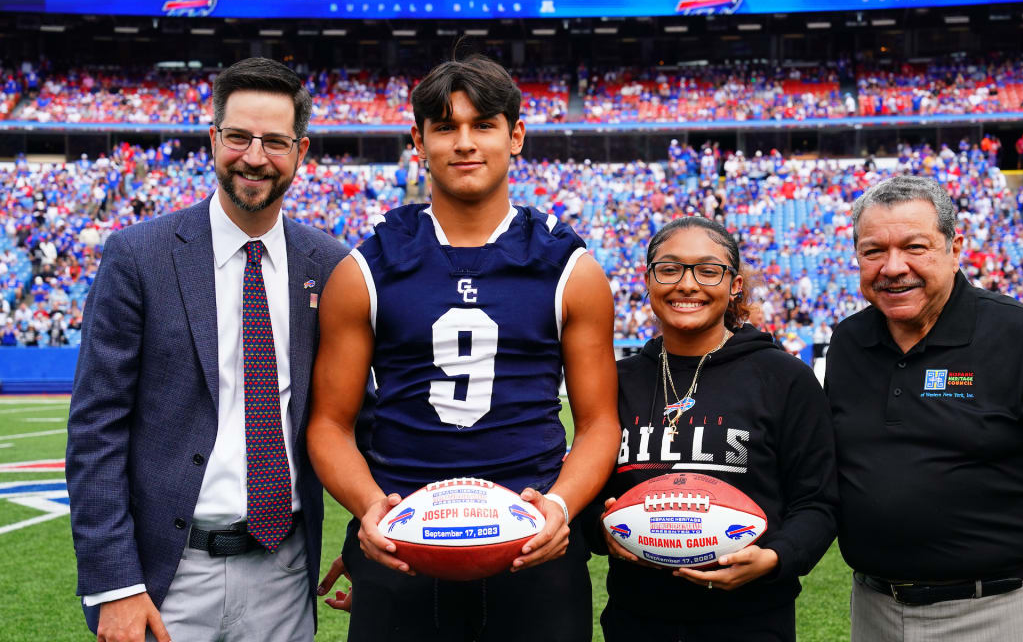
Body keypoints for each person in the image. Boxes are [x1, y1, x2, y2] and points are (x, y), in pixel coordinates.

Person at [307, 54, 620, 641]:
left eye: (483, 125)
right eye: (445, 127)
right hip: (402, 545)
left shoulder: (569, 268)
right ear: (418, 140)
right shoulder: (365, 268)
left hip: (534, 550)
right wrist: (372, 508)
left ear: (516, 135)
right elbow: (329, 423)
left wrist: (558, 508)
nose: (464, 143)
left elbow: (600, 423)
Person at [66, 57, 349, 642]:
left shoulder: (331, 264)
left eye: (274, 141)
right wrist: (115, 584)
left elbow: (355, 418)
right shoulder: (138, 256)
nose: (254, 156)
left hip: (284, 567)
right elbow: (96, 427)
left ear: (302, 151)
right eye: (239, 136)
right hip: (170, 574)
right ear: (212, 139)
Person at [825, 176, 1023, 642]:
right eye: (873, 251)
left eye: (915, 247)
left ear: (955, 247)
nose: (893, 267)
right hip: (876, 610)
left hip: (1004, 610)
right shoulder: (848, 343)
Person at [586, 216, 838, 642]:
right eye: (669, 269)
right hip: (637, 620)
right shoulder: (617, 380)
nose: (687, 284)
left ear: (734, 284)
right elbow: (588, 495)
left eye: (707, 270)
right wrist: (603, 529)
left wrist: (775, 557)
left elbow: (819, 500)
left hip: (753, 621)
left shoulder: (784, 377)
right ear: (647, 281)